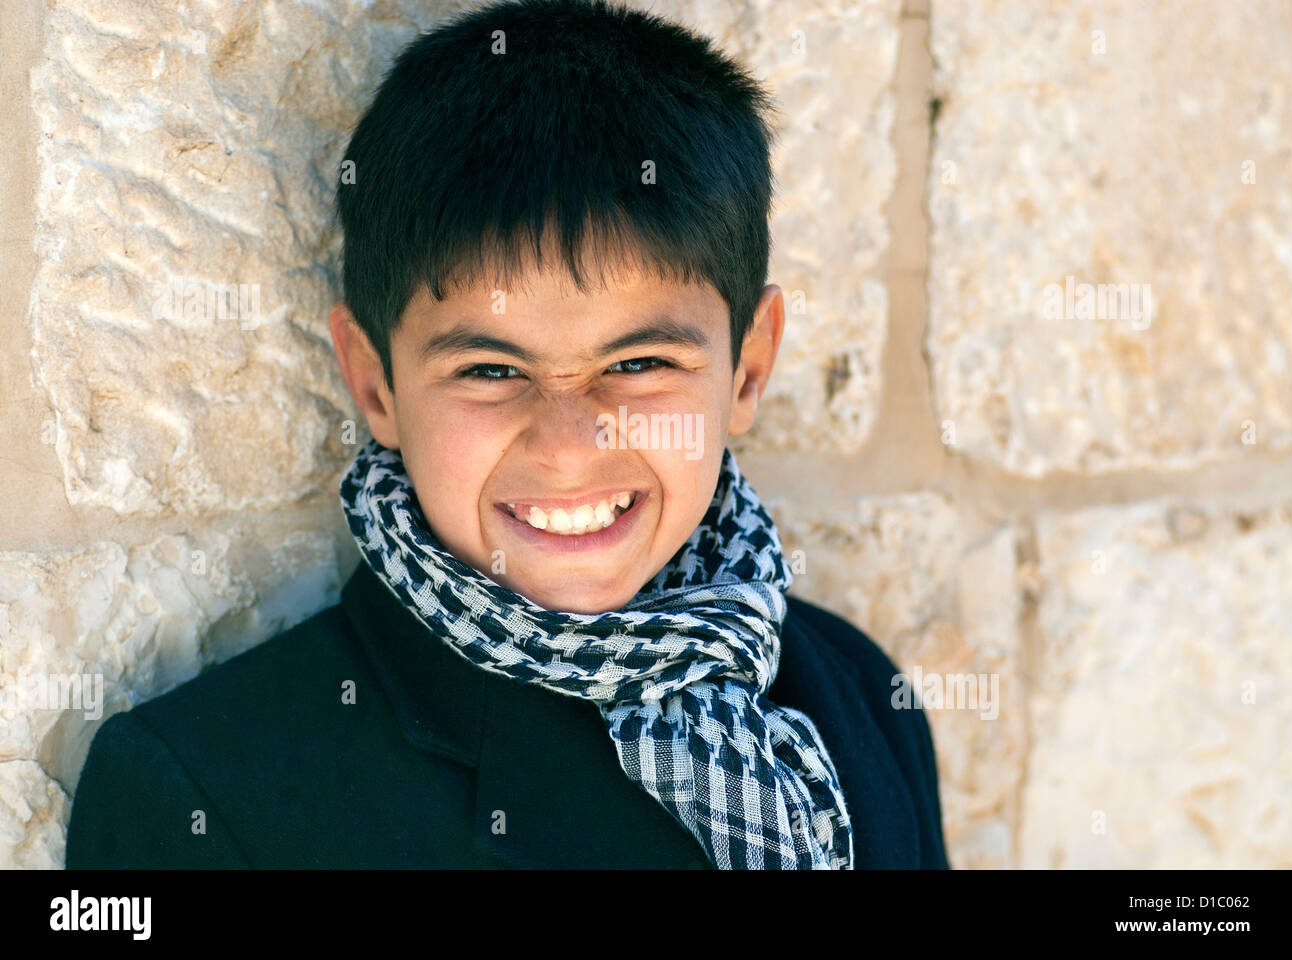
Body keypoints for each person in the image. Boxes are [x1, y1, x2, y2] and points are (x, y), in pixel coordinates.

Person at [65, 0, 948, 869]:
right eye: (491, 371)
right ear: (375, 385)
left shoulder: (858, 694)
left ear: (747, 371)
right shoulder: (206, 791)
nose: (568, 444)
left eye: (638, 363)